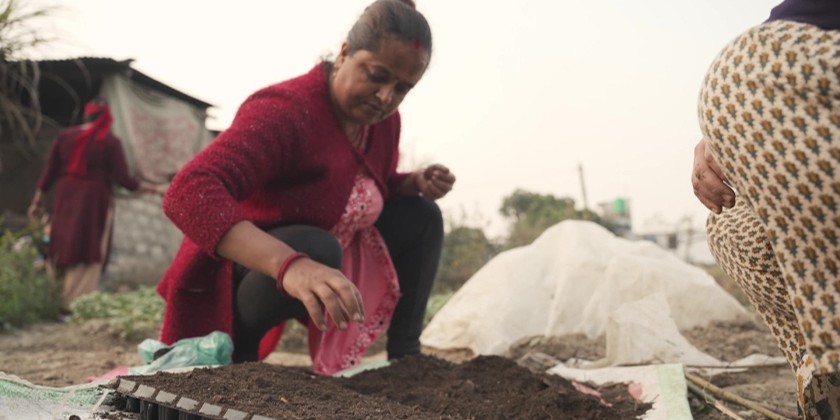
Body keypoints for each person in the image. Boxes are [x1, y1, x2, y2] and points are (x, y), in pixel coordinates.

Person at [156, 0, 456, 376]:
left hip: (323, 258)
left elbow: (352, 187)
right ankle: (240, 357)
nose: (385, 97)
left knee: (422, 215)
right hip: (244, 274)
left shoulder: (383, 122)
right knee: (315, 246)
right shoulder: (286, 110)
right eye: (377, 75)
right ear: (345, 52)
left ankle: (406, 357)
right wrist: (290, 265)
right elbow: (188, 191)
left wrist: (411, 183)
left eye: (402, 88)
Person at [692, 0, 840, 417]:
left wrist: (742, 95)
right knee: (732, 226)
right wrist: (722, 133)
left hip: (760, 77)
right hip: (789, 83)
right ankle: (824, 382)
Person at [28, 100, 166, 313]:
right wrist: (155, 189)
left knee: (61, 243)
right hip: (94, 201)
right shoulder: (109, 142)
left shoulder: (65, 137)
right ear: (107, 120)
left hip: (65, 197)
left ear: (86, 116)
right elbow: (125, 181)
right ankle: (74, 303)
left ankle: (53, 301)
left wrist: (37, 200)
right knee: (88, 245)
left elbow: (49, 172)